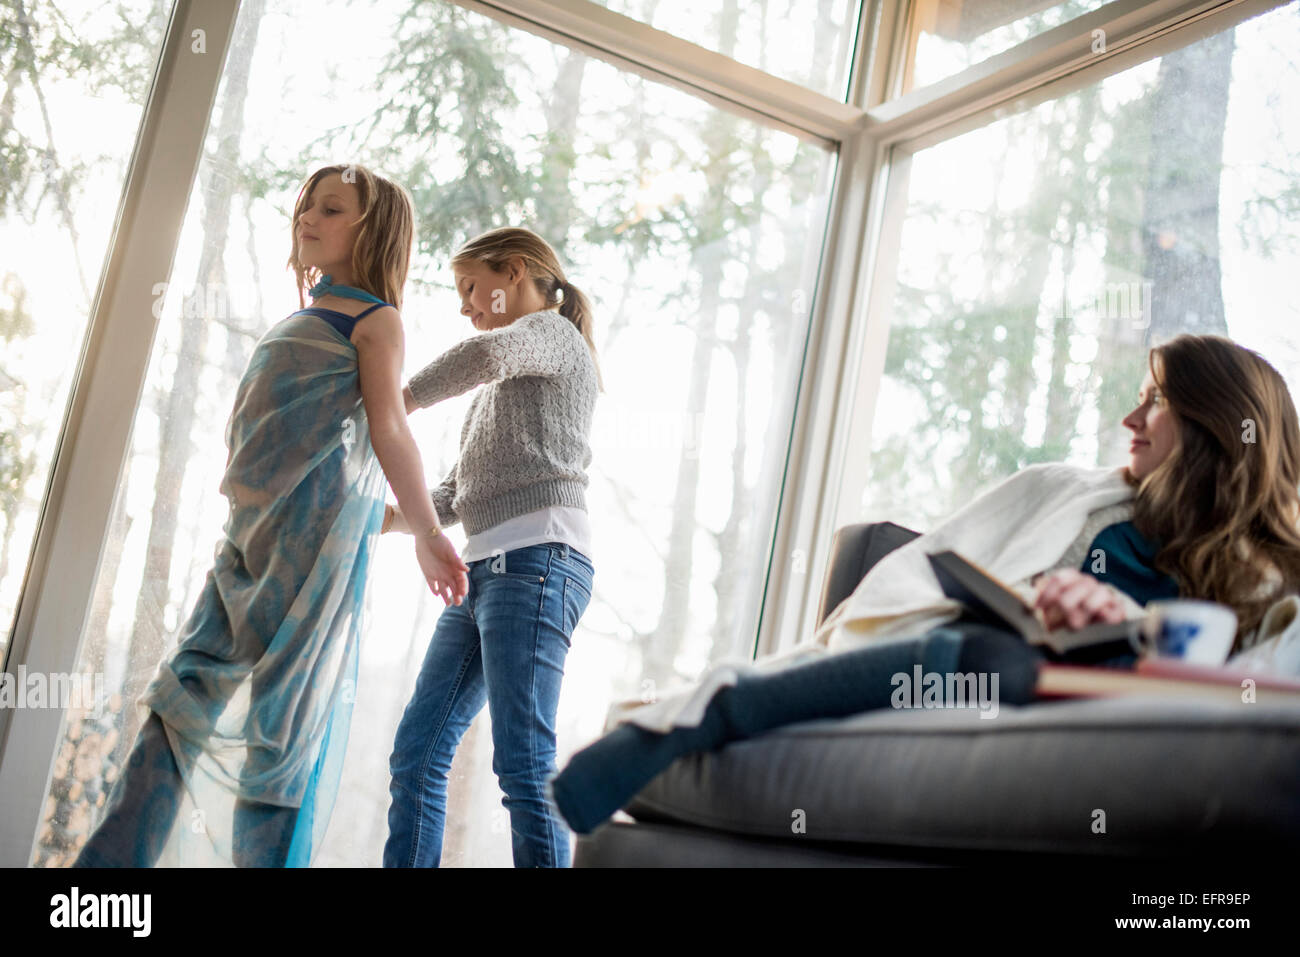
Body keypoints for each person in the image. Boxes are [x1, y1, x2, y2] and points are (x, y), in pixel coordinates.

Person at [546, 333, 1300, 836]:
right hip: (1001, 669)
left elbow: (1261, 681)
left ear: (1214, 423)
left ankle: (718, 705)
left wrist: (1129, 626)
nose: (1130, 416)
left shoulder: (1273, 575)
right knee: (984, 652)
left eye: (1157, 399)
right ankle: (716, 705)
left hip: (1117, 700)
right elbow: (929, 576)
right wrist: (1047, 597)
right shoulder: (1068, 493)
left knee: (989, 658)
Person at [74, 164, 469, 867]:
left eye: (331, 209)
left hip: (305, 561)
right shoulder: (300, 316)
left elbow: (388, 429)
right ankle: (101, 884)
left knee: (277, 737)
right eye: (306, 207)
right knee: (174, 709)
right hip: (244, 550)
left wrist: (429, 530)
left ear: (370, 231)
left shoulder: (376, 322)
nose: (307, 219)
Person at [381, 227, 603, 868]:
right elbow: (458, 493)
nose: (465, 305)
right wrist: (389, 517)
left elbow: (483, 354)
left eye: (471, 288)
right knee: (417, 753)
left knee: (523, 765)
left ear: (514, 273)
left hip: (538, 565)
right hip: (487, 572)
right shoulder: (503, 388)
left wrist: (394, 405)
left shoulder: (551, 336)